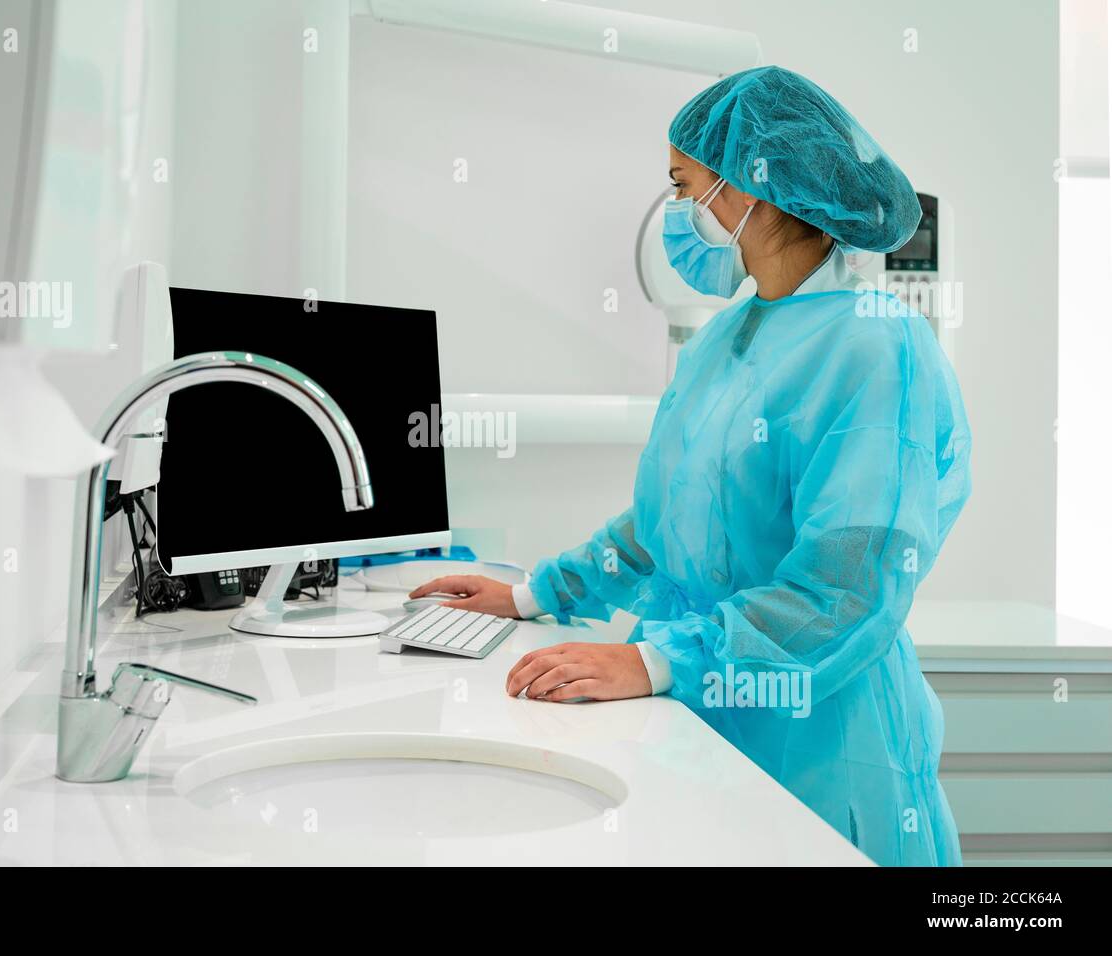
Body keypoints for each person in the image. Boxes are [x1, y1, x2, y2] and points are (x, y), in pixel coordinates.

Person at [410, 66, 971, 867]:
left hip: (817, 737)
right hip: (699, 711)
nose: (679, 214)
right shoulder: (727, 337)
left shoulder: (876, 346)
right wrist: (534, 594)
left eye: (685, 187)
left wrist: (657, 658)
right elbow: (664, 525)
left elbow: (849, 586)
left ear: (754, 190)